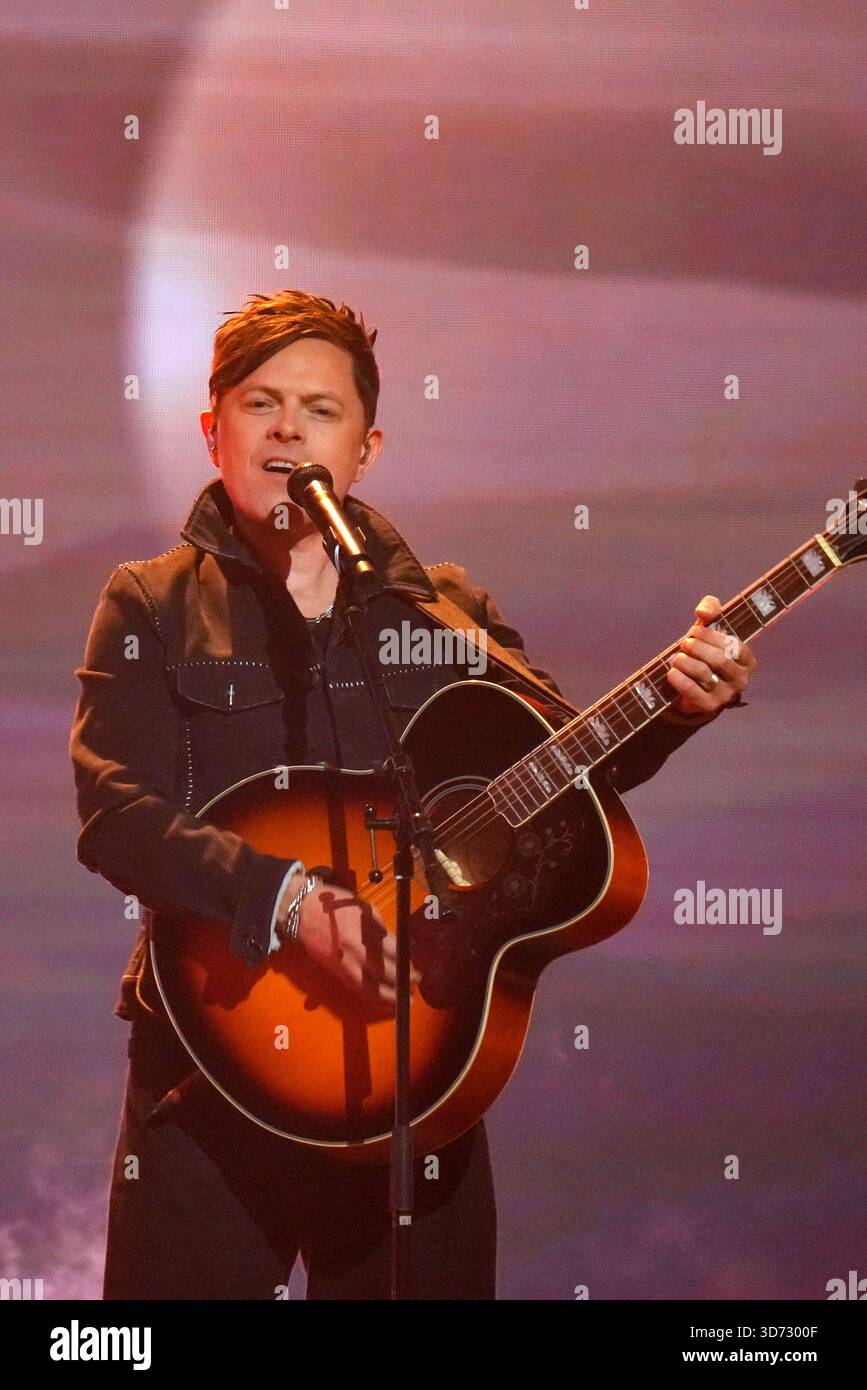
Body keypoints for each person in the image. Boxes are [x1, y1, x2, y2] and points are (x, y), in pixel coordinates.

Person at [69, 290, 756, 1300]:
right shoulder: (151, 601)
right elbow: (116, 813)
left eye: (321, 409)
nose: (289, 429)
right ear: (213, 430)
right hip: (211, 1075)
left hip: (417, 1070)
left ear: (368, 447)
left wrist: (681, 705)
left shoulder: (446, 611)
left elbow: (569, 773)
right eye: (260, 404)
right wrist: (288, 900)